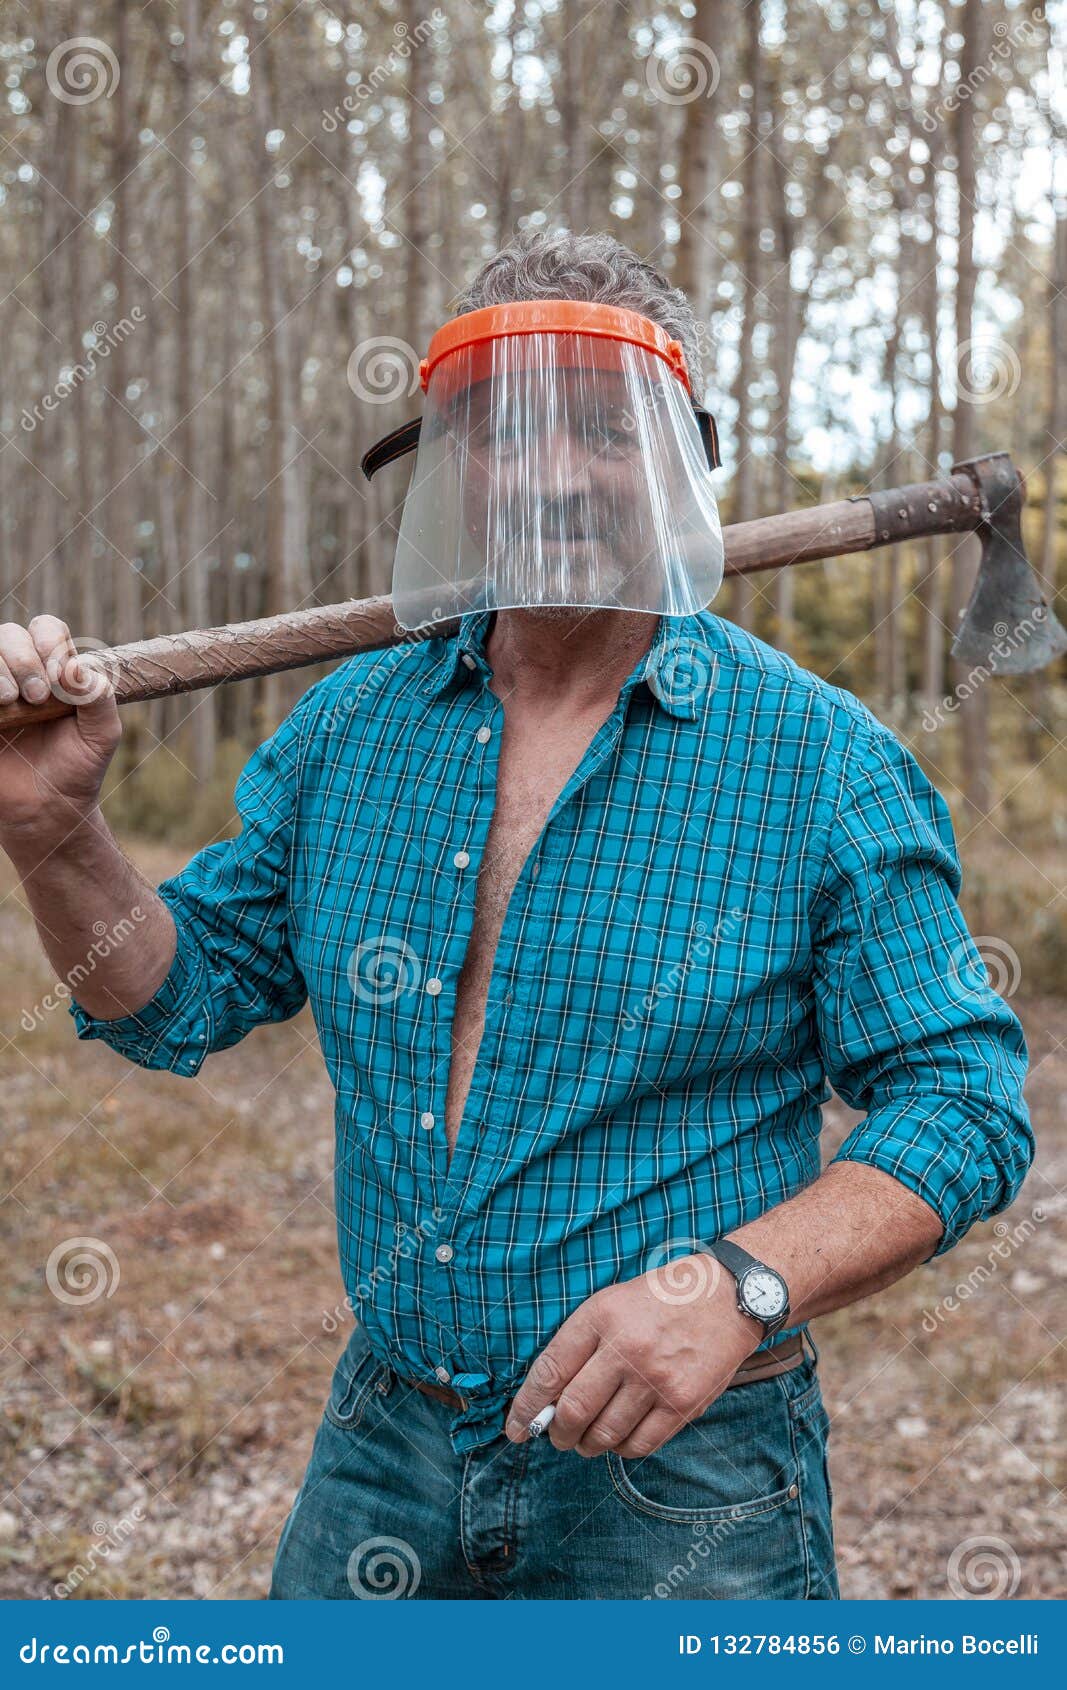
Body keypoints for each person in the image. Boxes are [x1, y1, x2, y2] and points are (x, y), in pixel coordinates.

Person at [0, 230, 1032, 1601]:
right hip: (387, 1435)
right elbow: (174, 996)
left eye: (601, 430)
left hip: (684, 1476)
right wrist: (57, 832)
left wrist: (736, 1287)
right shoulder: (350, 730)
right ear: (447, 464)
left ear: (680, 459)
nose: (548, 469)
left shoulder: (817, 763)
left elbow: (964, 1100)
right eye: (502, 427)